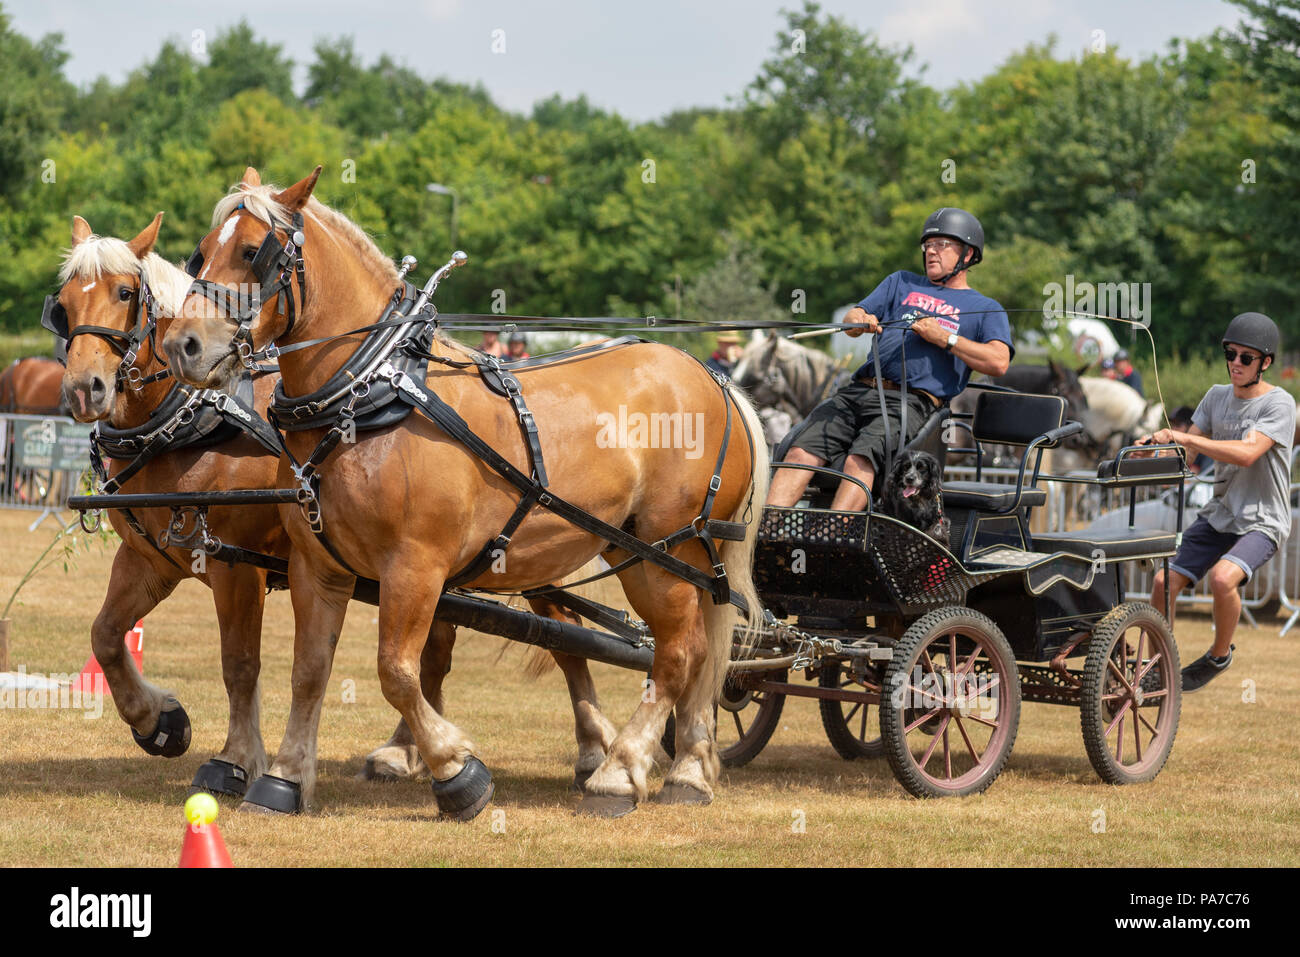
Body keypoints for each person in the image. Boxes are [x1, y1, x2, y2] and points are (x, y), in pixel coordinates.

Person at [766, 208, 1013, 511]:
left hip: (909, 402)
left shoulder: (985, 308)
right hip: (859, 390)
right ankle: (767, 533)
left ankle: (835, 536)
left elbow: (999, 362)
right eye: (928, 245)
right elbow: (852, 316)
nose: (931, 252)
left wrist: (945, 338)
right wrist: (859, 320)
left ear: (967, 254)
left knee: (861, 457)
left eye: (941, 245)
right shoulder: (901, 282)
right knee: (801, 450)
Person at [1143, 312, 1294, 693]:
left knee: (1223, 578)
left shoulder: (1280, 404)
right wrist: (1154, 451)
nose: (1236, 363)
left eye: (1246, 357)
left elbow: (1247, 453)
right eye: (1231, 353)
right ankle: (1157, 663)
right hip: (1220, 514)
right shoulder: (1215, 396)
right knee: (1162, 581)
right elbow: (1187, 458)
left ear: (1266, 363)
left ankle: (1218, 654)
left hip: (1263, 519)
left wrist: (1188, 440)